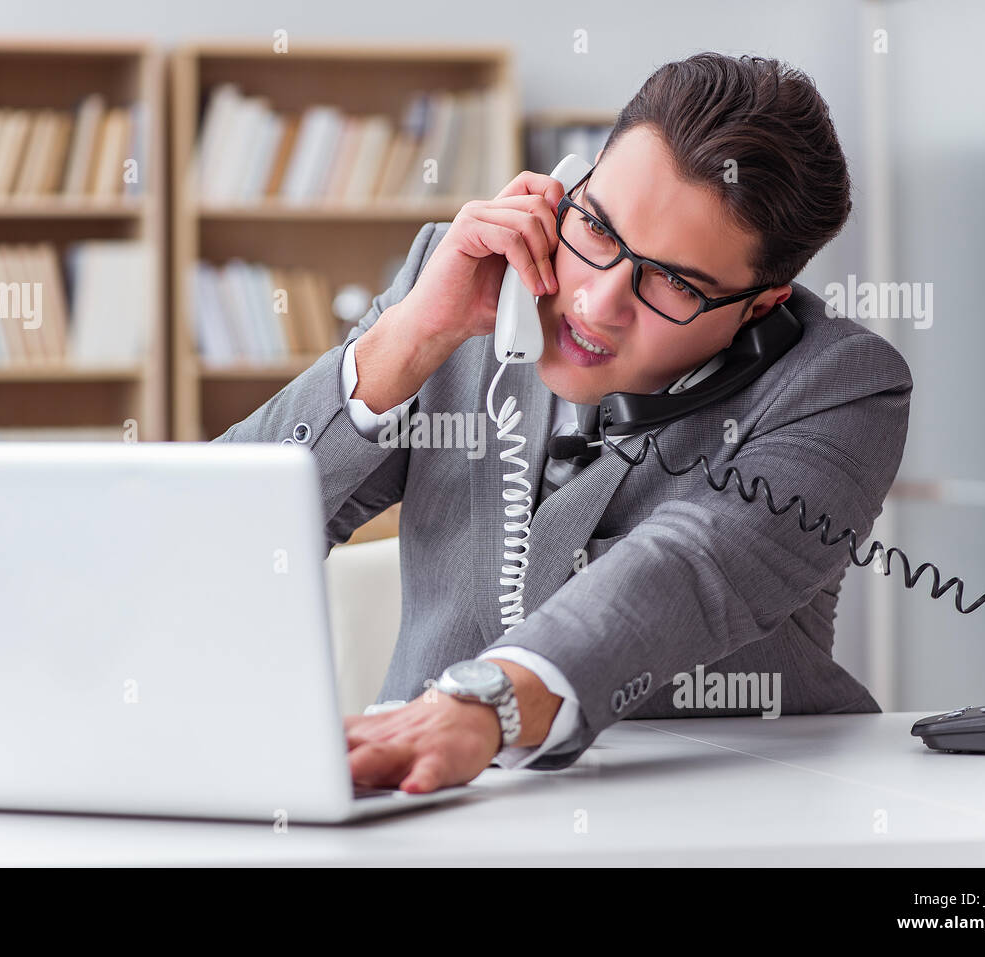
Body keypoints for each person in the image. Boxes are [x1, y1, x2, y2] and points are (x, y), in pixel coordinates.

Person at [213, 52, 912, 794]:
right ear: (566, 187)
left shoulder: (841, 387)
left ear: (759, 309)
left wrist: (487, 705)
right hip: (423, 799)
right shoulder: (456, 291)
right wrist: (411, 338)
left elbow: (689, 568)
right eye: (600, 230)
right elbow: (220, 536)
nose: (598, 303)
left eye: (674, 283)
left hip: (721, 807)